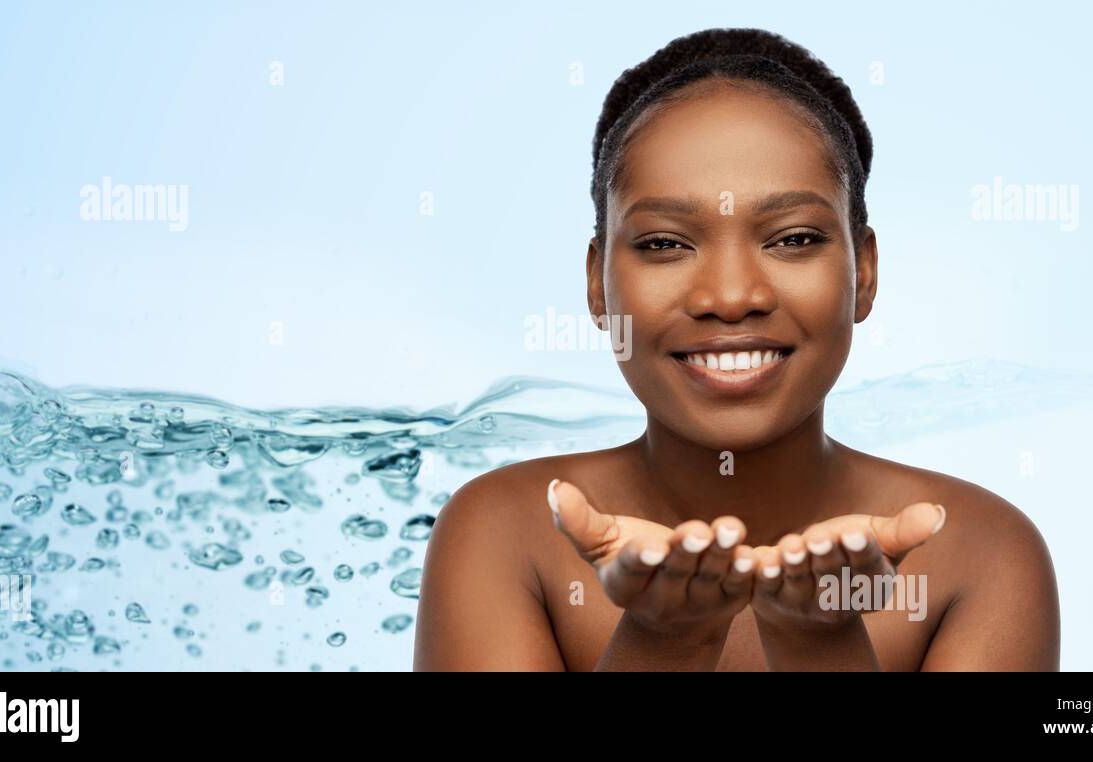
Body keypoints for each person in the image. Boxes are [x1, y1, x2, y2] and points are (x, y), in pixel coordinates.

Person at [413, 27, 1059, 671]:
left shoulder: (980, 557)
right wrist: (662, 638)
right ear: (597, 286)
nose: (730, 295)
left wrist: (820, 643)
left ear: (864, 272)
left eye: (794, 238)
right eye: (664, 243)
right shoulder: (502, 537)